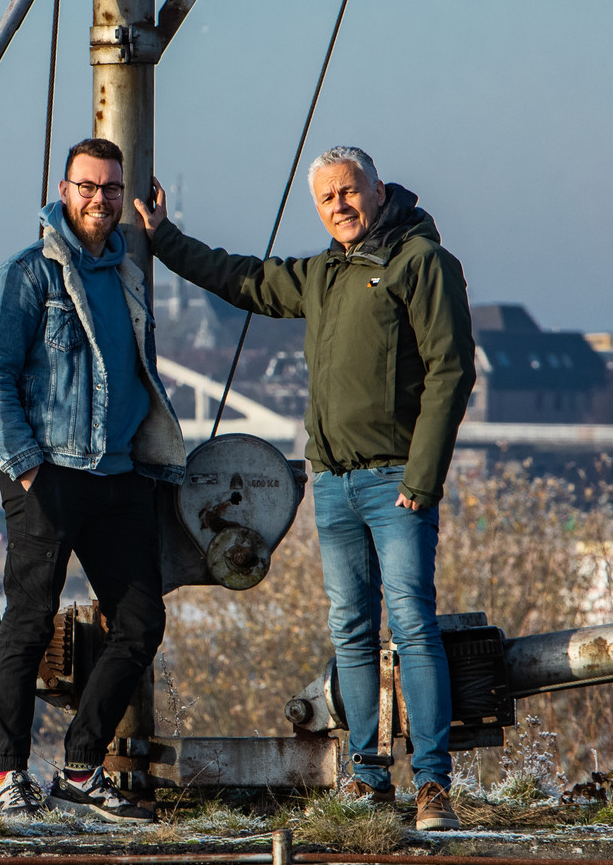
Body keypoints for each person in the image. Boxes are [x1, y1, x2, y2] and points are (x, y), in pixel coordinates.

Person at [134, 146, 474, 831]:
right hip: (333, 484)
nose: (339, 206)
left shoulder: (420, 263)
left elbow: (451, 371)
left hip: (395, 483)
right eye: (326, 200)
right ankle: (368, 776)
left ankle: (433, 784)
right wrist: (162, 237)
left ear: (377, 190)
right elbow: (241, 279)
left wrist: (422, 476)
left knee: (410, 626)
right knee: (349, 630)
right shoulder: (322, 274)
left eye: (349, 192)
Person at [0, 137, 186, 823]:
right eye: (88, 186)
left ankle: (79, 766)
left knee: (140, 621)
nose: (100, 198)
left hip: (119, 475)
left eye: (111, 188)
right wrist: (28, 464)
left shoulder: (126, 271)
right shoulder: (28, 274)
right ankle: (9, 775)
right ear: (63, 190)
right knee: (29, 626)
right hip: (49, 473)